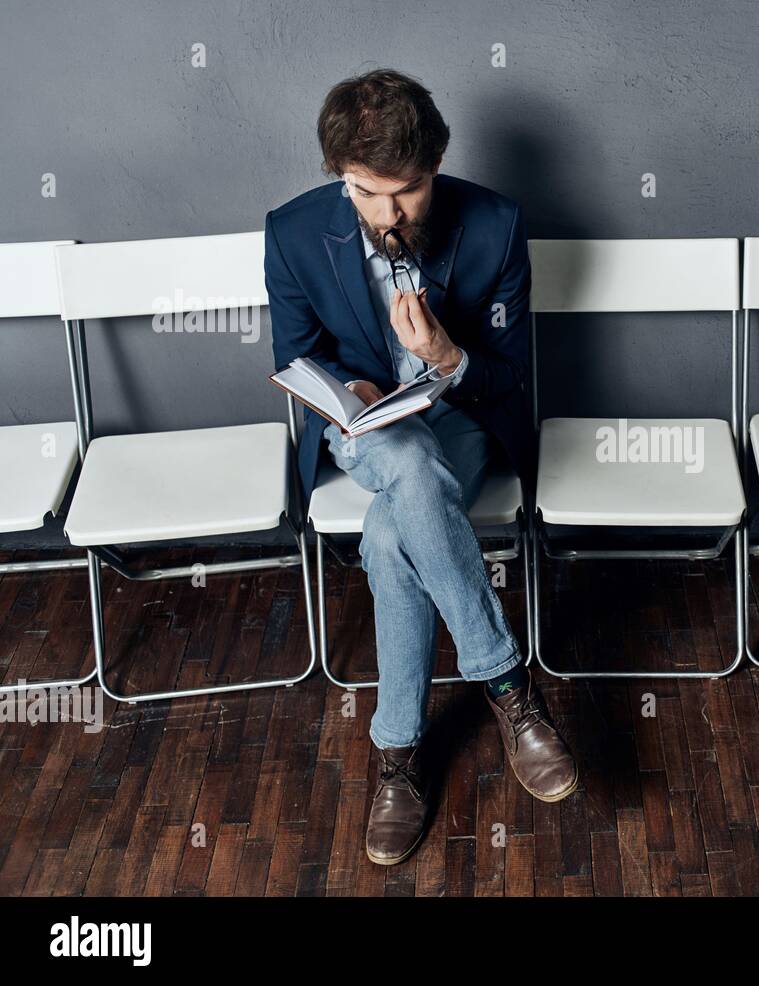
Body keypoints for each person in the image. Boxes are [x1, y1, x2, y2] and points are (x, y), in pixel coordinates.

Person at [264, 68, 577, 866]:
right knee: (400, 454)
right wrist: (353, 390)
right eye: (370, 194)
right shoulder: (293, 233)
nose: (391, 214)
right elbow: (296, 357)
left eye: (409, 192)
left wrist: (453, 358)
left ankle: (398, 756)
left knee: (389, 537)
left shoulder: (497, 224)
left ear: (435, 168)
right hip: (367, 430)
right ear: (342, 177)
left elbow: (509, 374)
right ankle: (508, 685)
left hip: (461, 420)